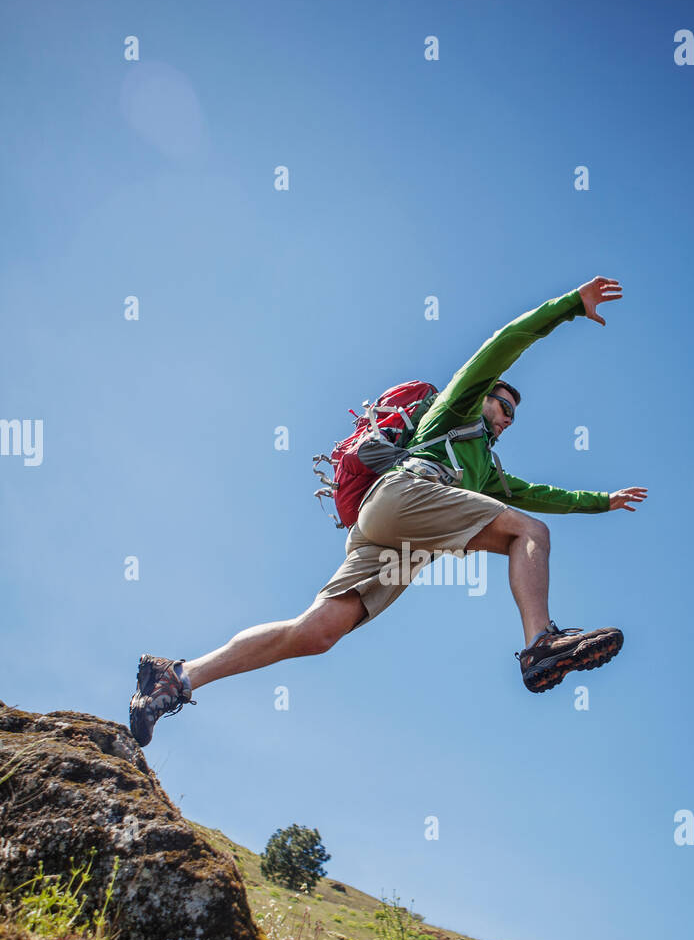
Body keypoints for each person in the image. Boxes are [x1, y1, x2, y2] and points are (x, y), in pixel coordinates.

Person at [129, 276, 647, 747]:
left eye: (514, 416)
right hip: (404, 496)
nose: (508, 419)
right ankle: (540, 643)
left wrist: (604, 500)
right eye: (505, 406)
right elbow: (504, 342)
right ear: (485, 397)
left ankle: (176, 676)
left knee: (316, 633)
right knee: (528, 532)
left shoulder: (488, 472)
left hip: (397, 539)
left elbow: (541, 493)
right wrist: (569, 307)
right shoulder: (456, 408)